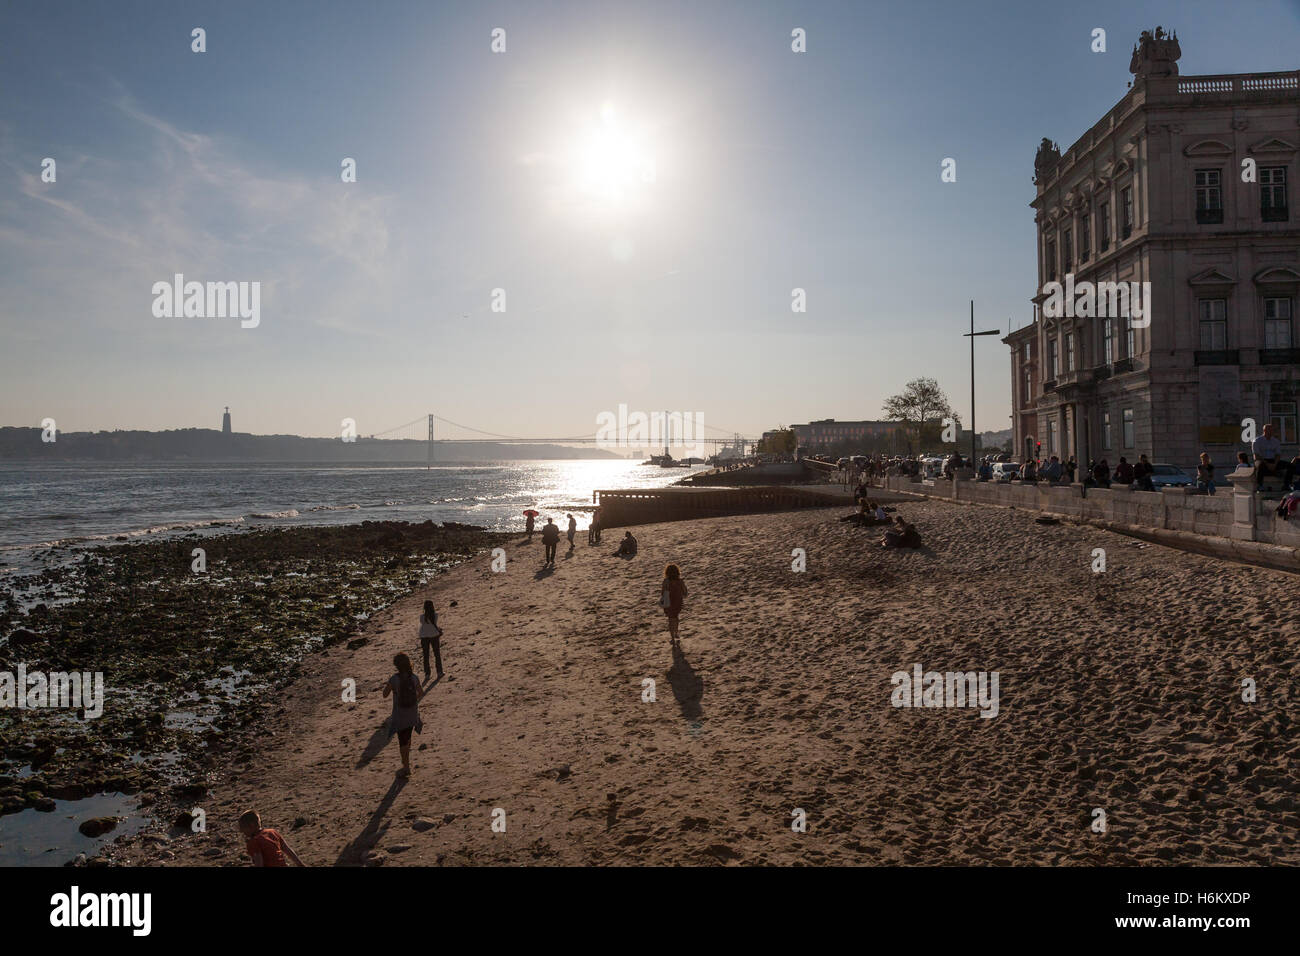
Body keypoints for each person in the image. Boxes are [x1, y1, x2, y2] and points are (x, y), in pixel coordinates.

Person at [381, 652, 427, 779]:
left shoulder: (394, 679)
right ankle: (406, 762)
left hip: (400, 714)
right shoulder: (415, 677)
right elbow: (421, 693)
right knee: (408, 737)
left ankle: (406, 767)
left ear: (396, 666)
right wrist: (413, 700)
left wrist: (389, 685)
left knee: (402, 741)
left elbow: (384, 695)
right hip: (412, 713)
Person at [239, 810, 304, 867]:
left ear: (251, 825)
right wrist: (300, 864)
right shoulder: (272, 832)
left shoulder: (253, 842)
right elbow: (287, 850)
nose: (241, 831)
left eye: (242, 827)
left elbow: (259, 862)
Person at [660, 563, 688, 644]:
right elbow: (685, 592)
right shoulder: (680, 581)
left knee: (670, 619)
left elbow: (662, 592)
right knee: (676, 617)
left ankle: (672, 637)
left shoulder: (666, 581)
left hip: (668, 602)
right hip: (677, 602)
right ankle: (676, 632)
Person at [418, 599, 443, 679]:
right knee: (437, 654)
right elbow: (434, 624)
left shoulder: (422, 617)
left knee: (426, 655)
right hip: (434, 635)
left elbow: (424, 624)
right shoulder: (435, 615)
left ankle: (427, 674)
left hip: (424, 636)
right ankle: (439, 672)